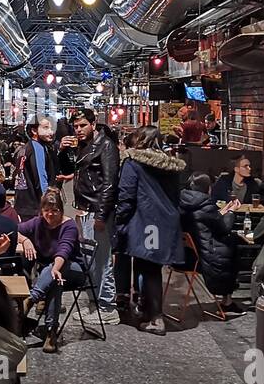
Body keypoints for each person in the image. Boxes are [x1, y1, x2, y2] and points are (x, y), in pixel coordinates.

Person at [114, 126, 186, 335]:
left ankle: (156, 318)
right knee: (150, 266)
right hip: (165, 222)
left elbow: (126, 195)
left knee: (150, 270)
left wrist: (120, 222)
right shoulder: (171, 166)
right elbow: (176, 196)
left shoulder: (133, 162)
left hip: (145, 222)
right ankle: (145, 309)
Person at [63, 108, 119, 315]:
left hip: (97, 209)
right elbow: (77, 170)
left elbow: (110, 183)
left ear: (93, 124)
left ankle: (107, 307)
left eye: (82, 125)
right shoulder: (85, 145)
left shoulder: (105, 145)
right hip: (85, 208)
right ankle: (99, 300)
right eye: (75, 126)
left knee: (102, 259)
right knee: (91, 258)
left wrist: (102, 215)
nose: (78, 130)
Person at [16, 187, 83, 353]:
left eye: (55, 210)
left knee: (52, 270)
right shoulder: (38, 222)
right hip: (52, 274)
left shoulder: (69, 226)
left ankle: (31, 299)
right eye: (46, 211)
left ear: (61, 210)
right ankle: (51, 331)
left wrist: (56, 268)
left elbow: (64, 250)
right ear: (41, 211)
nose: (50, 215)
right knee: (55, 281)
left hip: (73, 268)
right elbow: (14, 230)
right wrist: (25, 240)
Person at [179, 172, 241, 312]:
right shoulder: (206, 206)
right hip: (204, 255)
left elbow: (208, 220)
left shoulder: (186, 202)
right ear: (207, 188)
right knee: (232, 244)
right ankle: (227, 301)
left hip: (187, 254)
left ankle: (227, 300)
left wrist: (223, 211)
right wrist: (231, 212)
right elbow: (224, 228)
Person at [13, 116, 56, 220]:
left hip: (22, 202)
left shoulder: (25, 148)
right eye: (46, 128)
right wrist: (49, 203)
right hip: (34, 205)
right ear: (34, 130)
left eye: (51, 128)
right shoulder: (37, 148)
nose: (51, 132)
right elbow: (41, 179)